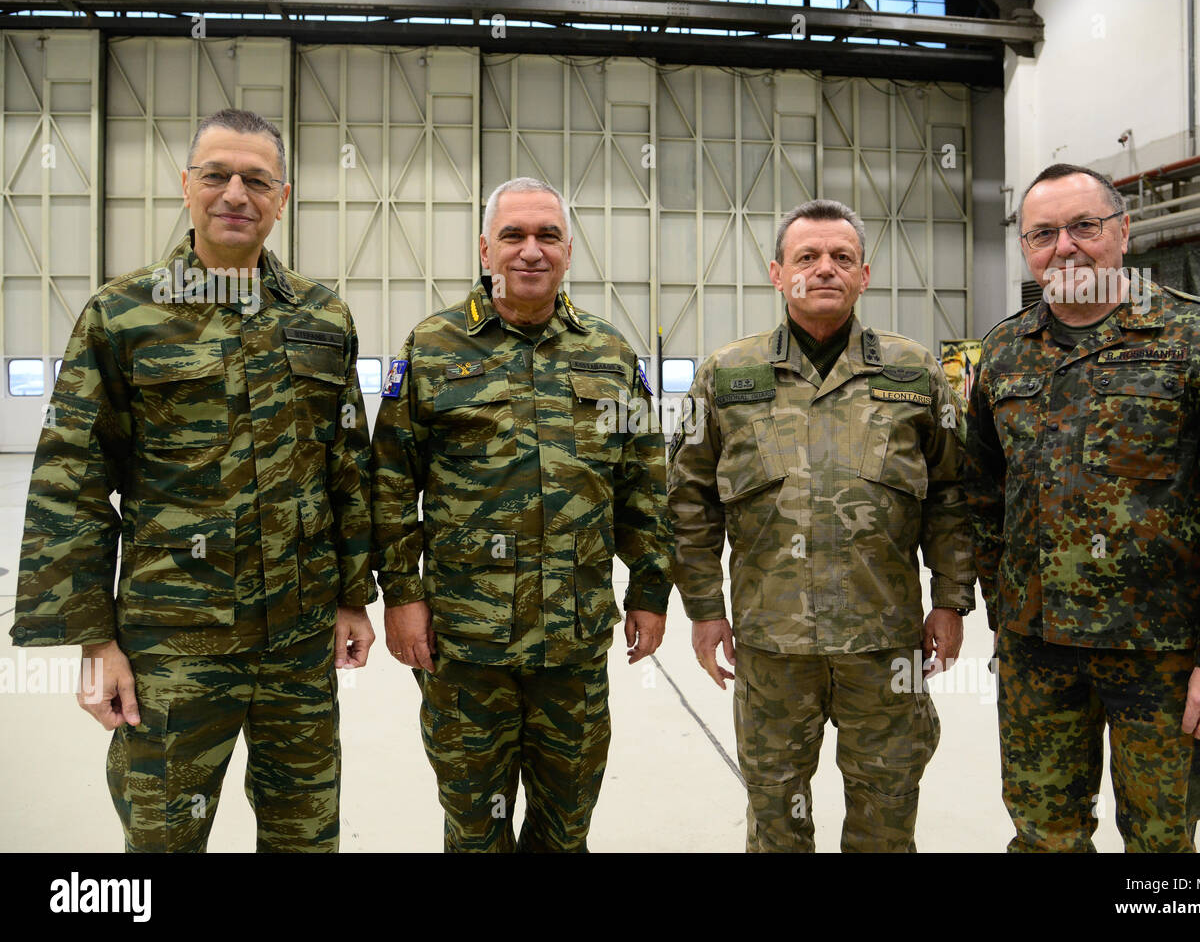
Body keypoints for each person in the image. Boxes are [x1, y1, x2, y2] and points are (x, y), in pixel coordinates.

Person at [10, 108, 376, 853]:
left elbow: (348, 468)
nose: (235, 193)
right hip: (173, 646)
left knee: (306, 838)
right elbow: (72, 482)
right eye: (217, 175)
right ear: (187, 186)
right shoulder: (123, 316)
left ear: (283, 196)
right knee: (163, 842)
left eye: (256, 180)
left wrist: (352, 596)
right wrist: (94, 640)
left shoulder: (321, 317)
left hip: (298, 643)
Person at [965, 162, 1200, 852]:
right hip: (1038, 653)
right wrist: (1004, 616)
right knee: (1042, 834)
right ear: (1026, 249)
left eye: (1084, 226)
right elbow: (982, 493)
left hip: (1165, 657)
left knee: (1162, 840)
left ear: (1123, 230)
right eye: (1043, 234)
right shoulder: (1002, 354)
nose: (1066, 246)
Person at [370, 176, 672, 852]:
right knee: (475, 832)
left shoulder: (610, 354)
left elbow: (645, 482)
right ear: (485, 249)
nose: (530, 250)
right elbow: (390, 482)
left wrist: (651, 592)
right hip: (465, 650)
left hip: (574, 644)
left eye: (548, 236)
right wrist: (402, 596)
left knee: (566, 832)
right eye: (514, 235)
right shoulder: (434, 347)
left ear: (568, 252)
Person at [667, 198, 975, 852]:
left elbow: (951, 494)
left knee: (887, 817)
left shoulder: (913, 373)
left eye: (842, 257)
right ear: (777, 274)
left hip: (885, 643)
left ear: (865, 274)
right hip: (772, 647)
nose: (824, 269)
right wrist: (703, 609)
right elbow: (691, 500)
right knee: (777, 819)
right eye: (807, 257)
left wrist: (950, 601)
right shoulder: (728, 376)